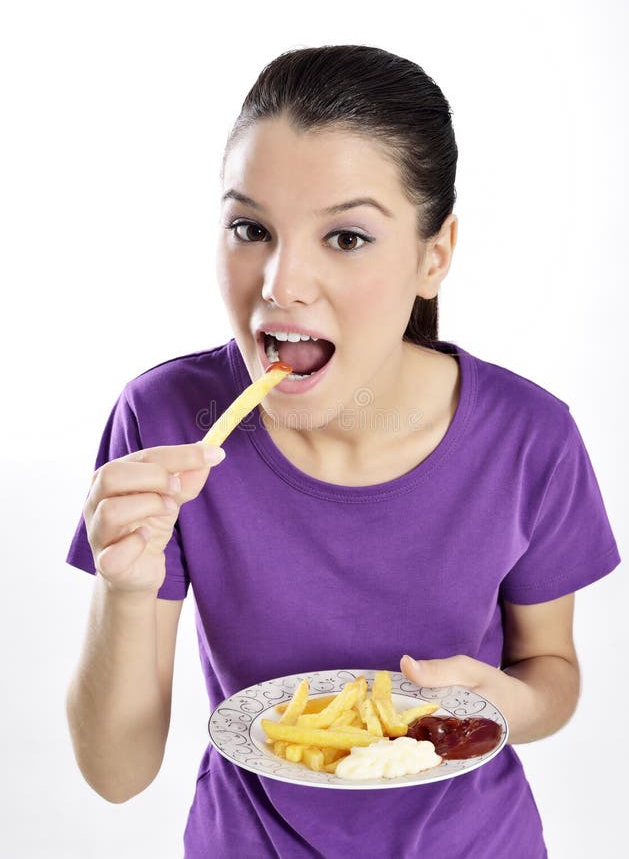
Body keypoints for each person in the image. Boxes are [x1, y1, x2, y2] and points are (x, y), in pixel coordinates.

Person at [64, 44, 621, 858]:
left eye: (347, 237)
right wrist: (122, 593)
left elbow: (552, 673)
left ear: (434, 256)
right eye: (250, 229)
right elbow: (116, 777)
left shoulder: (529, 437)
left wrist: (505, 705)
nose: (280, 283)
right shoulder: (165, 420)